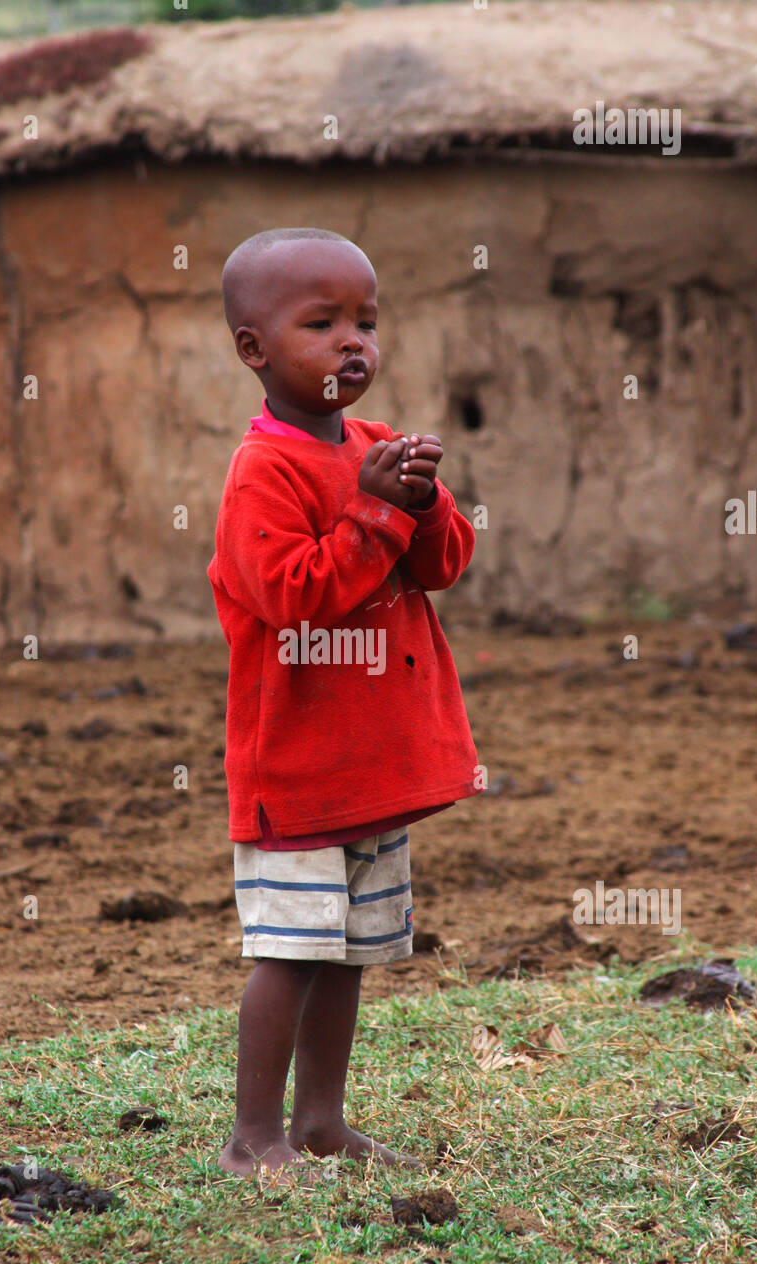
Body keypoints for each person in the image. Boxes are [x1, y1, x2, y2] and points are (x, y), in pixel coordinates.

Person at [206, 227, 482, 1181]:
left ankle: (320, 1122)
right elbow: (292, 595)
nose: (352, 343)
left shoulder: (375, 448)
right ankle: (254, 1135)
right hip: (298, 769)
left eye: (365, 320)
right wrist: (372, 511)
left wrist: (426, 500)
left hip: (374, 770)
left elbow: (441, 568)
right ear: (256, 350)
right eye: (320, 323)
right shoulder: (264, 474)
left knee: (349, 955)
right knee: (289, 954)